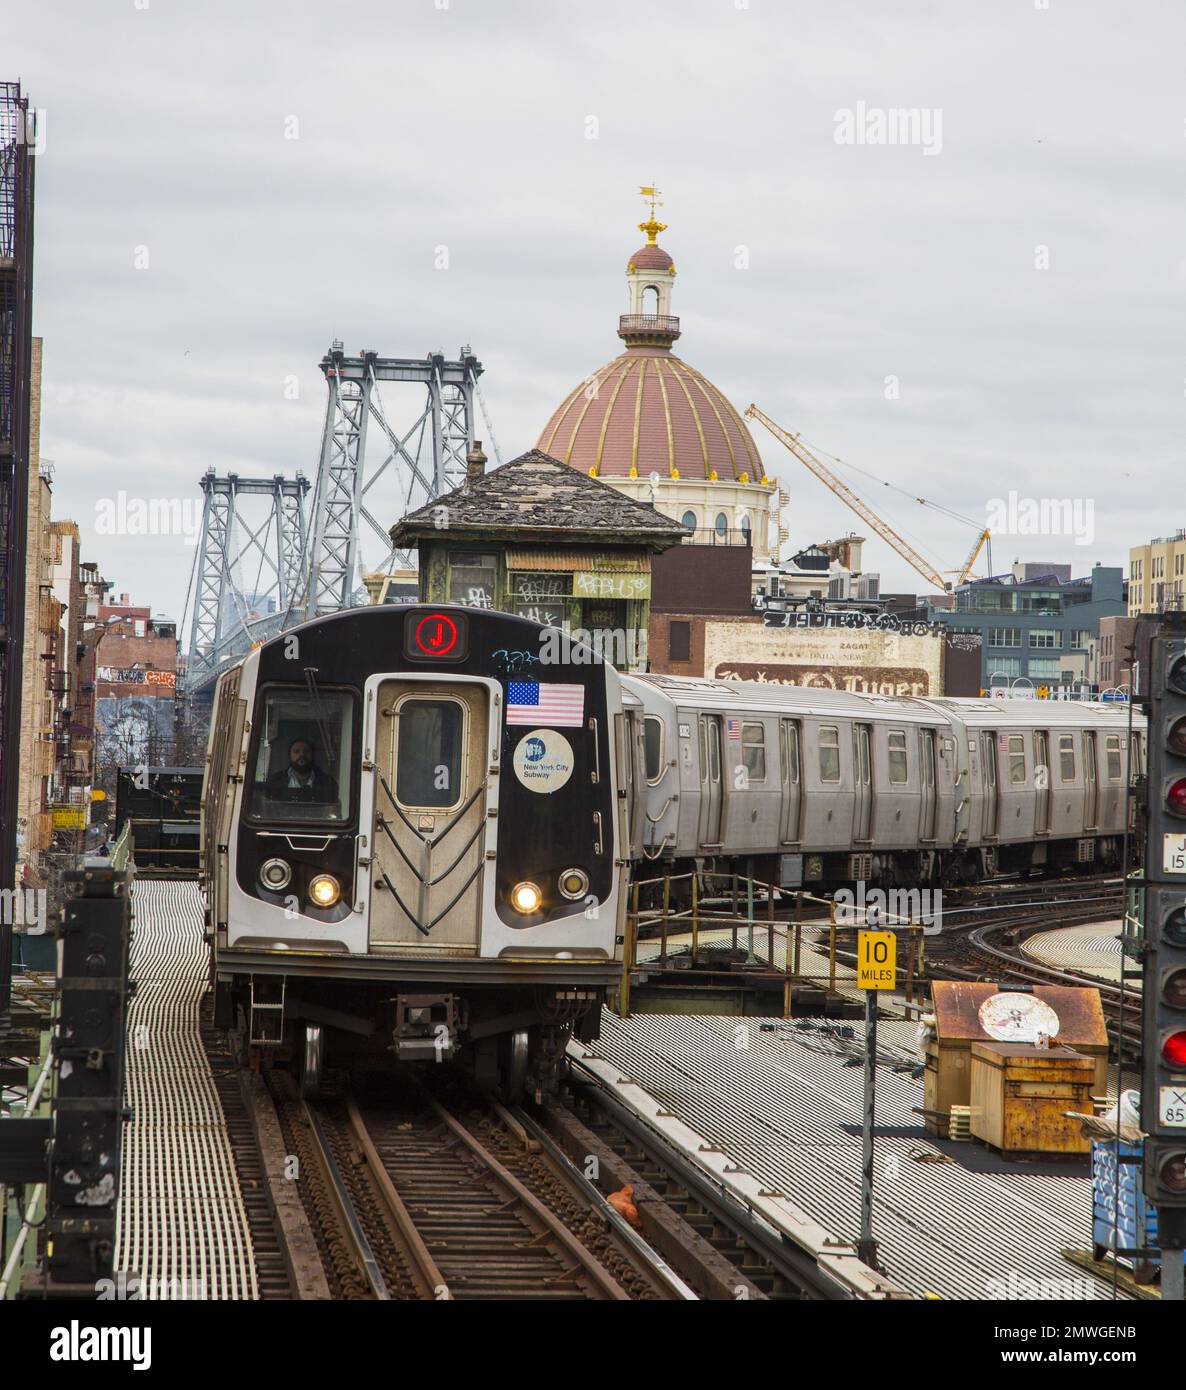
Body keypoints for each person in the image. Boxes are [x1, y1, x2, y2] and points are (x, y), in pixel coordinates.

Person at [264, 738, 340, 806]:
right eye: (296, 751)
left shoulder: (328, 783)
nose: (302, 754)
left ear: (312, 755)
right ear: (289, 756)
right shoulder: (274, 781)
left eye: (306, 751)